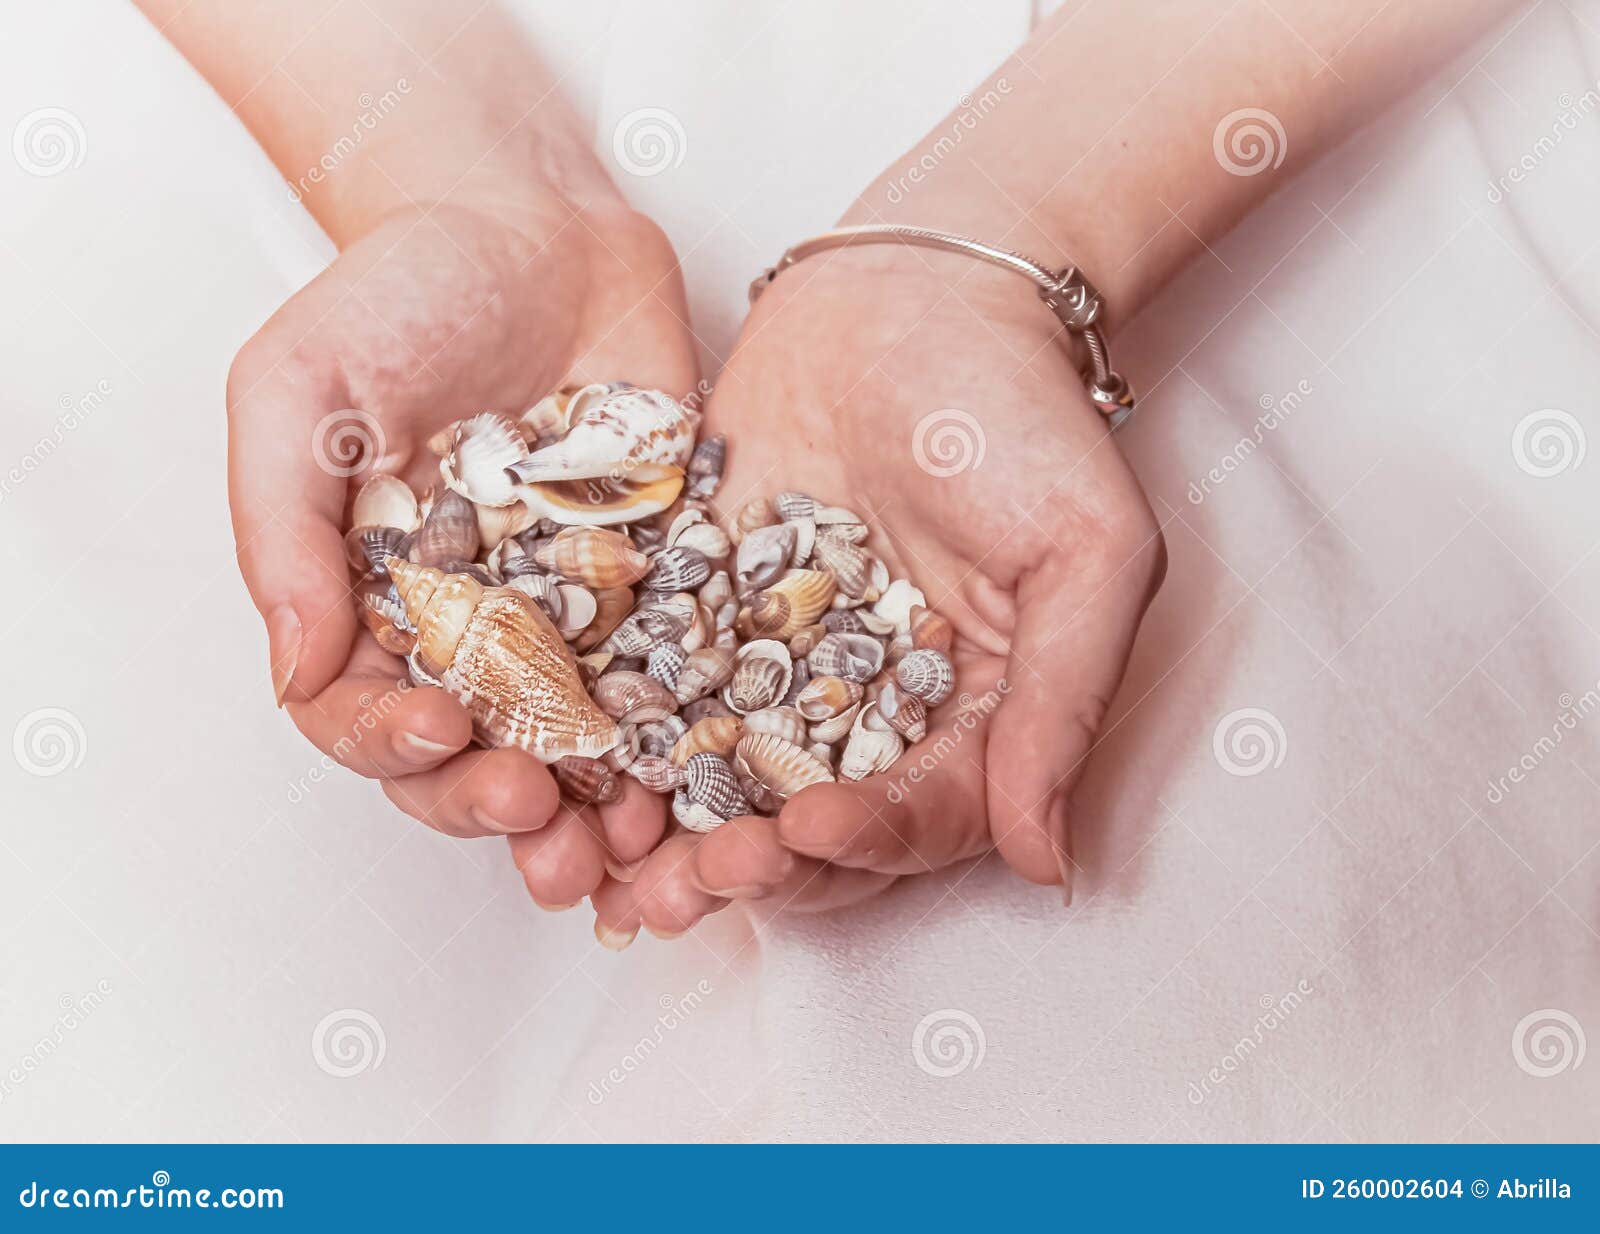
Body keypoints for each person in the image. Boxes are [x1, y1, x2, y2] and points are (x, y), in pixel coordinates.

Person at [122, 0, 1599, 1141]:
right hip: (319, 66)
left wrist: (1014, 225)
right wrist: (442, 171)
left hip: (1251, 82)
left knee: (1205, 1042)